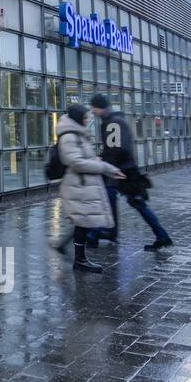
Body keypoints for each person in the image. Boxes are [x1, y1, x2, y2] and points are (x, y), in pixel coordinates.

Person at [90, 94, 173, 251]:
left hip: (121, 171)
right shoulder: (117, 120)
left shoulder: (111, 123)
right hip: (125, 169)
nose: (92, 110)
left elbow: (115, 149)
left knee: (134, 203)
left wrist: (104, 163)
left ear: (99, 107)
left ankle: (161, 236)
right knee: (121, 200)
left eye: (94, 107)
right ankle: (109, 232)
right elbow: (116, 148)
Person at [54, 103, 122, 273]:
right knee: (83, 222)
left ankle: (80, 259)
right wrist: (104, 167)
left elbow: (82, 159)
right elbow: (75, 162)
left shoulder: (78, 134)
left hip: (83, 184)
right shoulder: (69, 136)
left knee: (83, 222)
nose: (87, 120)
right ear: (78, 118)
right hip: (77, 185)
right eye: (84, 118)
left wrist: (102, 165)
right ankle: (80, 260)